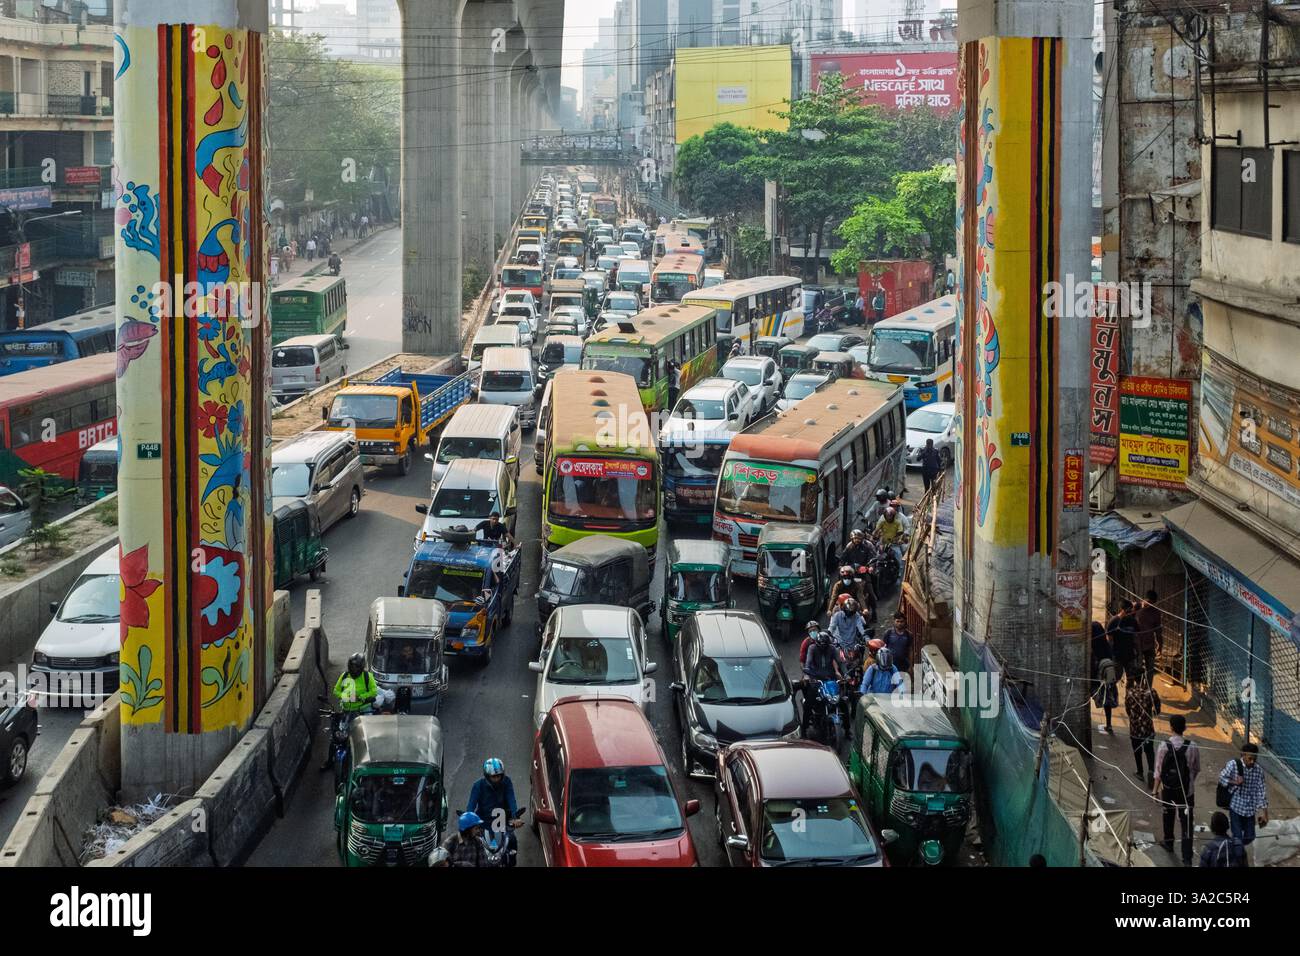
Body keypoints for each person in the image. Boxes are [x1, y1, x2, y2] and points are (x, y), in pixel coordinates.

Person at [1152, 713, 1200, 866]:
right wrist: (1189, 782)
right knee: (1186, 823)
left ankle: (1169, 842)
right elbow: (1196, 769)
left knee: (1168, 816)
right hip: (1187, 792)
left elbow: (1158, 771)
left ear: (1171, 727)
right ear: (1184, 728)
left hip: (1168, 789)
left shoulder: (1164, 745)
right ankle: (1187, 858)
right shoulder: (1192, 746)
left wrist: (1155, 790)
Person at [322, 653, 377, 768]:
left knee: (368, 736)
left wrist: (362, 697)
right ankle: (329, 762)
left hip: (363, 711)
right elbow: (336, 691)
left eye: (356, 667)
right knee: (336, 736)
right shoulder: (345, 676)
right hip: (347, 712)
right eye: (352, 666)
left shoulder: (368, 677)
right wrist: (344, 695)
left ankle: (371, 760)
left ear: (361, 667)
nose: (353, 669)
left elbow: (374, 692)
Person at [466, 758, 524, 867]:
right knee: (470, 846)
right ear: (487, 776)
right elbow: (471, 805)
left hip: (502, 821)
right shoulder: (478, 786)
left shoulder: (507, 782)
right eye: (494, 776)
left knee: (512, 840)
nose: (497, 779)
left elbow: (511, 799)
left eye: (499, 776)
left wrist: (515, 817)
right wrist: (469, 821)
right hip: (482, 823)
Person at [1218, 743, 1268, 848]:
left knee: (1250, 836)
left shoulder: (1258, 771)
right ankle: (1236, 855)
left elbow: (1261, 791)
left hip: (1250, 810)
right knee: (1238, 837)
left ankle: (1233, 846)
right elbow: (1222, 778)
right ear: (1243, 755)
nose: (1252, 761)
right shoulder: (1233, 765)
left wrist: (1265, 813)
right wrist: (1234, 782)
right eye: (1250, 758)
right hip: (1236, 806)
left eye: (1255, 759)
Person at [801, 630, 842, 735]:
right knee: (809, 704)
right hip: (816, 679)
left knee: (843, 702)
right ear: (817, 643)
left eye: (826, 645)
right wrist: (807, 675)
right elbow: (808, 663)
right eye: (821, 645)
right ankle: (804, 729)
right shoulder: (812, 648)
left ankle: (847, 730)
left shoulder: (832, 649)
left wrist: (845, 674)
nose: (823, 648)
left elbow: (840, 662)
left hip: (830, 679)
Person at [1124, 672, 1160, 784]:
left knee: (1137, 750)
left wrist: (1134, 718)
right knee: (1149, 751)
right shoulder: (1151, 692)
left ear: (1135, 680)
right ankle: (1151, 770)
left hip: (1135, 729)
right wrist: (1152, 712)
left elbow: (1128, 710)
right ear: (1145, 679)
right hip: (1148, 728)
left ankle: (1140, 772)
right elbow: (1157, 710)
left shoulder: (1130, 693)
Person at [1134, 590, 1162, 686]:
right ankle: (1138, 686)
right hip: (1137, 644)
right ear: (1144, 599)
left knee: (1150, 668)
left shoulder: (1156, 613)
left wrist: (1160, 646)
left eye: (1152, 603)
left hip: (1149, 644)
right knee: (1137, 667)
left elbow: (1158, 631)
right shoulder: (1136, 607)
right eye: (1148, 601)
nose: (1149, 604)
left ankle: (1148, 689)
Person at [1106, 601, 1137, 682]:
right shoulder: (1114, 621)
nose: (1130, 612)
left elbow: (1136, 637)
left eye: (1131, 610)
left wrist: (1137, 651)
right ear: (1122, 609)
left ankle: (1130, 694)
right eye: (1128, 610)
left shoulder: (1132, 621)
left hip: (1130, 655)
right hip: (1118, 656)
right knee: (1115, 678)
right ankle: (1112, 693)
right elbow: (1110, 639)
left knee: (1131, 679)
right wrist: (1112, 655)